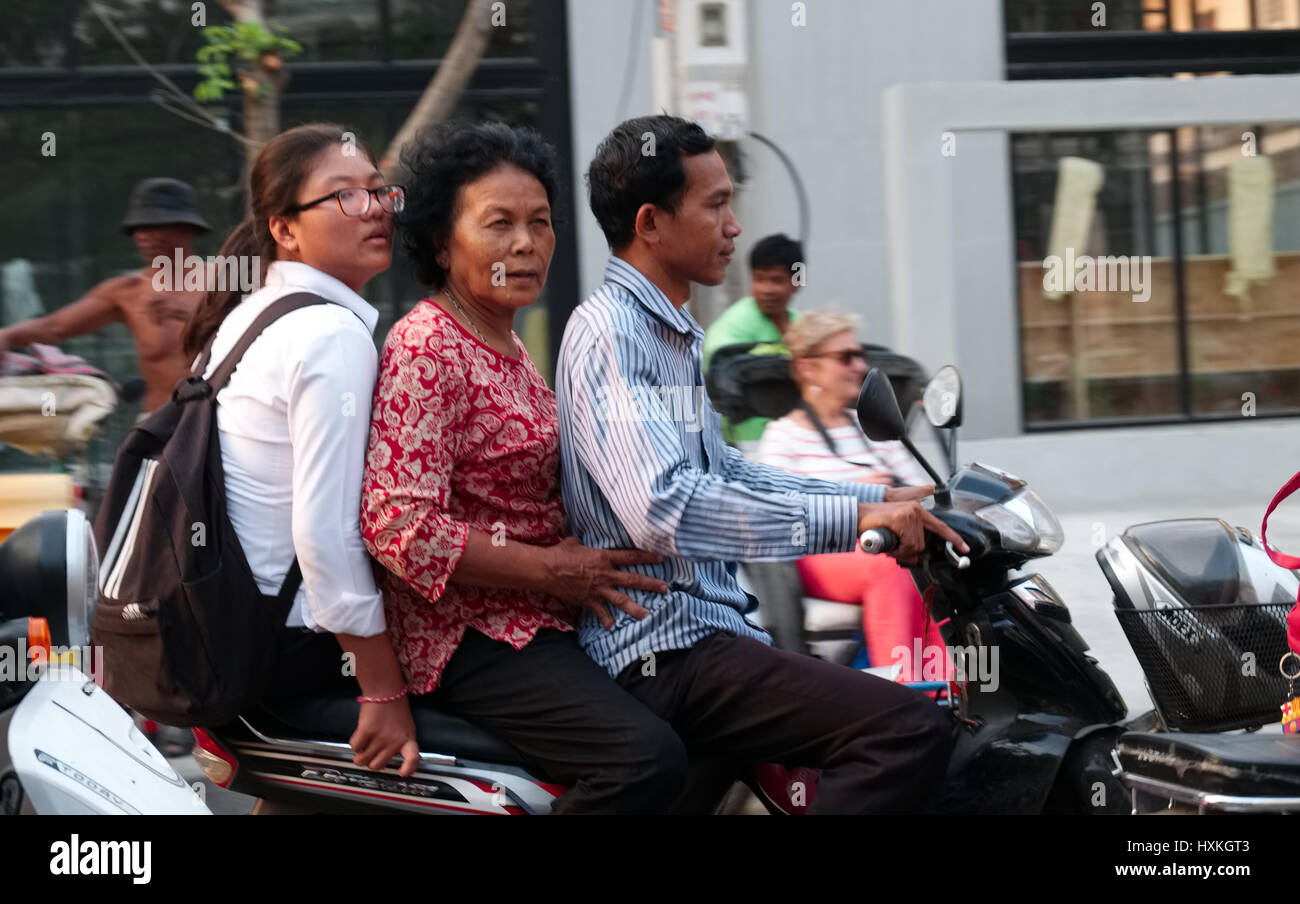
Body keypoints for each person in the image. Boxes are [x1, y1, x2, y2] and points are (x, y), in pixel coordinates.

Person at [556, 114, 968, 814]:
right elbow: (667, 510)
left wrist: (872, 490)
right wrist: (856, 518)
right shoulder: (612, 334)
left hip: (711, 633)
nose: (735, 227)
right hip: (667, 649)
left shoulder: (671, 334)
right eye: (716, 204)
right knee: (906, 728)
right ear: (651, 223)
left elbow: (729, 471)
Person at [359, 121, 690, 814]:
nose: (526, 243)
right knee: (644, 759)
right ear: (443, 242)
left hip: (547, 619)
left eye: (540, 222)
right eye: (499, 223)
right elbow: (399, 526)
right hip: (469, 635)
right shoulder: (428, 345)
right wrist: (553, 570)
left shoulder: (507, 338)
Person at [181, 123, 422, 777]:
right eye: (343, 196)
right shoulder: (328, 334)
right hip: (289, 648)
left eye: (378, 190)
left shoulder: (250, 315)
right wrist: (382, 689)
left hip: (223, 629)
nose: (373, 207)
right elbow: (325, 536)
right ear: (285, 229)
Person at [754, 311, 946, 681]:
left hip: (884, 543)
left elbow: (920, 486)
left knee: (943, 570)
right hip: (818, 551)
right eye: (845, 358)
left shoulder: (870, 429)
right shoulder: (783, 435)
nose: (860, 366)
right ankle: (905, 693)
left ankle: (951, 691)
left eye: (859, 355)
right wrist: (863, 501)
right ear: (808, 368)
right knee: (888, 565)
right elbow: (775, 509)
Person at [0, 178, 210, 414]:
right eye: (137, 228)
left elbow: (253, 340)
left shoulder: (225, 281)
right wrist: (7, 335)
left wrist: (188, 316)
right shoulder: (126, 291)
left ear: (187, 229)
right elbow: (54, 327)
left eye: (154, 225)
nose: (144, 236)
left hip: (221, 423)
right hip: (159, 426)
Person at [701, 232, 803, 444]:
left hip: (796, 440)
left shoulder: (802, 325)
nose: (767, 290)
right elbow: (720, 361)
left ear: (798, 280)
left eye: (776, 280)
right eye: (759, 279)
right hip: (743, 445)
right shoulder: (734, 324)